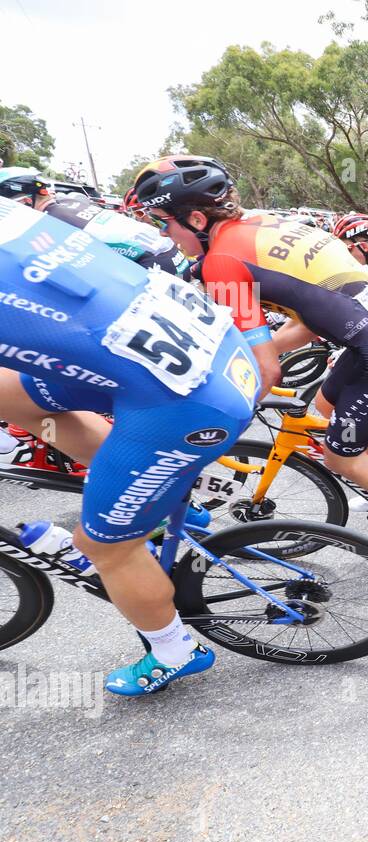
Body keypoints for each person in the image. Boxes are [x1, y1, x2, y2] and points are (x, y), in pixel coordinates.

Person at [134, 155, 368, 555]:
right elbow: (306, 322)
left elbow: (264, 369)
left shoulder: (221, 261)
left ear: (197, 220)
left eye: (162, 222)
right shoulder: (261, 224)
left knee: (340, 458)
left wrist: (208, 414)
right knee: (323, 407)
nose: (166, 237)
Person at [0, 197, 260, 695]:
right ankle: (143, 499)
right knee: (14, 397)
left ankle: (173, 650)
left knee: (102, 547)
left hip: (182, 401)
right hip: (204, 353)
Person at [0, 166, 188, 276]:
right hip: (171, 254)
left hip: (153, 266)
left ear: (25, 203)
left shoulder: (48, 220)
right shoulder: (70, 201)